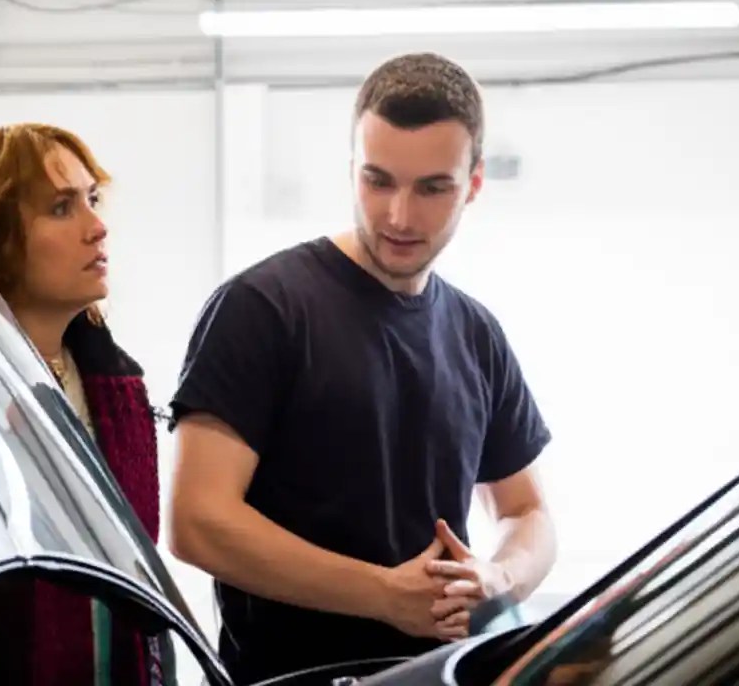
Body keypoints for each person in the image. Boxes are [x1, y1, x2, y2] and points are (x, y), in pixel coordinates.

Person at [166, 52, 558, 681]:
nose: (400, 216)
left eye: (433, 188)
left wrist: (498, 578)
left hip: (439, 674)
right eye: (378, 181)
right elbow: (196, 522)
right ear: (351, 170)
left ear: (474, 184)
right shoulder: (262, 309)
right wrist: (380, 593)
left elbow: (527, 513)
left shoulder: (475, 333)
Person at [0, 123, 162, 685]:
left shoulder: (116, 386)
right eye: (62, 208)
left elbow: (142, 588)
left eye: (92, 198)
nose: (97, 227)